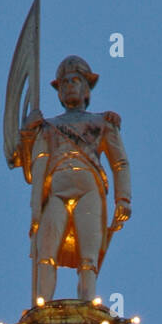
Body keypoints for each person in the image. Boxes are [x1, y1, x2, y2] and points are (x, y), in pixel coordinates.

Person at [16, 56, 131, 303]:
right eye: (64, 82)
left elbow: (119, 162)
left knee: (88, 257)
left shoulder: (102, 122)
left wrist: (124, 198)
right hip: (56, 189)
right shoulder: (46, 127)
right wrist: (28, 134)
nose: (69, 86)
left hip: (89, 187)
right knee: (45, 251)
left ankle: (88, 303)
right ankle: (42, 304)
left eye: (75, 81)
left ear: (85, 88)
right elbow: (31, 170)